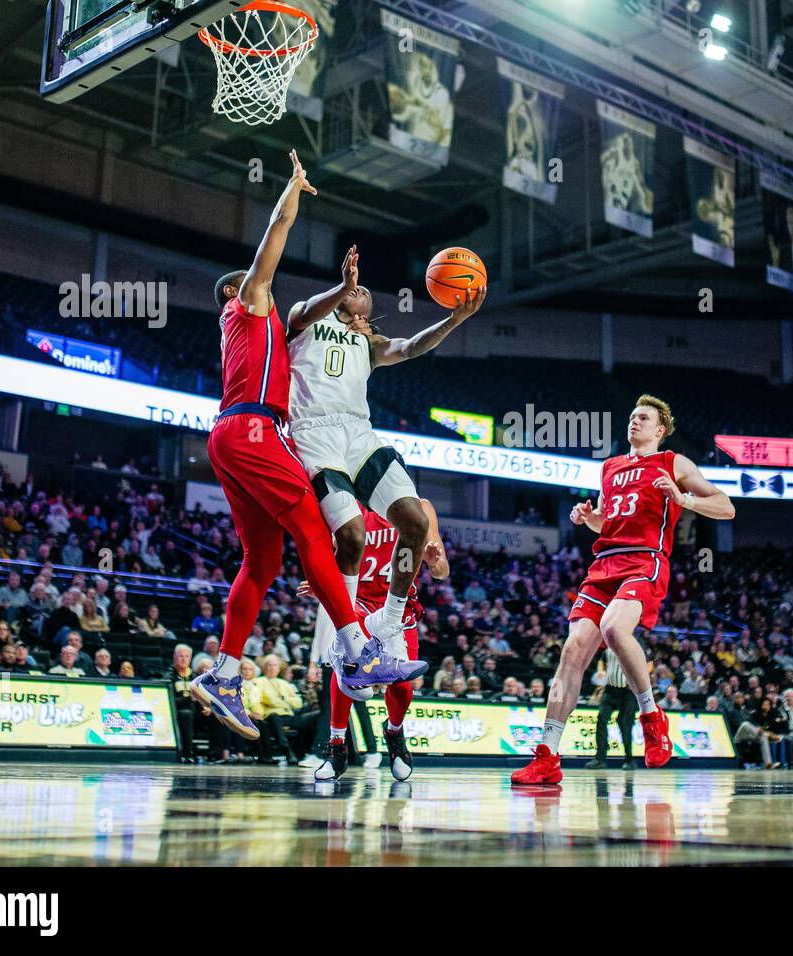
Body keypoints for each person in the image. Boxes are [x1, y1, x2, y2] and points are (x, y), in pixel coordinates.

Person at [190, 150, 366, 742]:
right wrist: (291, 191)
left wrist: (342, 290)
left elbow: (307, 314)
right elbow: (275, 235)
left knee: (261, 561)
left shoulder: (263, 328)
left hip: (231, 436)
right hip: (255, 429)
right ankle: (356, 648)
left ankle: (222, 673)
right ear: (234, 294)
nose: (259, 278)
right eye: (250, 279)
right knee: (314, 529)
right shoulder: (248, 304)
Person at [285, 239, 483, 694]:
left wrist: (453, 319)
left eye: (364, 292)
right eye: (356, 290)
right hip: (315, 434)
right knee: (351, 535)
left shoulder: (368, 343)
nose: (361, 292)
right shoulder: (307, 320)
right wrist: (341, 286)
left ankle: (389, 623)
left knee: (414, 521)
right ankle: (347, 645)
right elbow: (306, 310)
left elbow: (411, 346)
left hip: (359, 434)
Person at [511, 396, 735, 785]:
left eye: (643, 418)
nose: (635, 422)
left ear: (659, 430)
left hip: (645, 560)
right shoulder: (610, 467)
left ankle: (652, 716)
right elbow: (606, 522)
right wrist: (589, 518)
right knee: (572, 650)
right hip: (604, 564)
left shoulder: (673, 463)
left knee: (615, 629)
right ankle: (546, 757)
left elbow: (726, 506)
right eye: (632, 417)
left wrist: (684, 500)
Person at [310, 499, 450, 782]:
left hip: (398, 607)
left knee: (403, 686)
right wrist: (319, 583)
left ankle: (394, 733)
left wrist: (435, 562)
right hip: (358, 603)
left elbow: (441, 570)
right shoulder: (350, 508)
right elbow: (331, 557)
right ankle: (337, 746)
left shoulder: (421, 507)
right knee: (347, 671)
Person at [588, 648, 637, 769]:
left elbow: (648, 664)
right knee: (601, 720)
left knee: (625, 723)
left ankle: (629, 759)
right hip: (610, 690)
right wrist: (600, 671)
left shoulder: (636, 643)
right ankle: (600, 759)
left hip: (627, 692)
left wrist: (637, 680)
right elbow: (601, 660)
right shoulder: (609, 646)